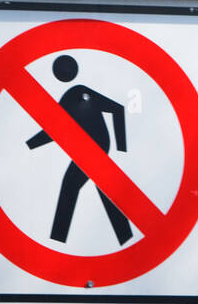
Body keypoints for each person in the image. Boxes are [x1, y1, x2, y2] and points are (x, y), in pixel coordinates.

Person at [25, 54, 132, 245]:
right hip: (88, 150)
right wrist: (30, 145)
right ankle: (125, 235)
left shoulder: (77, 92)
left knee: (70, 186)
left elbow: (117, 109)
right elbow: (53, 130)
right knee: (96, 186)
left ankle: (57, 241)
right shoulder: (67, 100)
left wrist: (121, 147)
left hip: (96, 147)